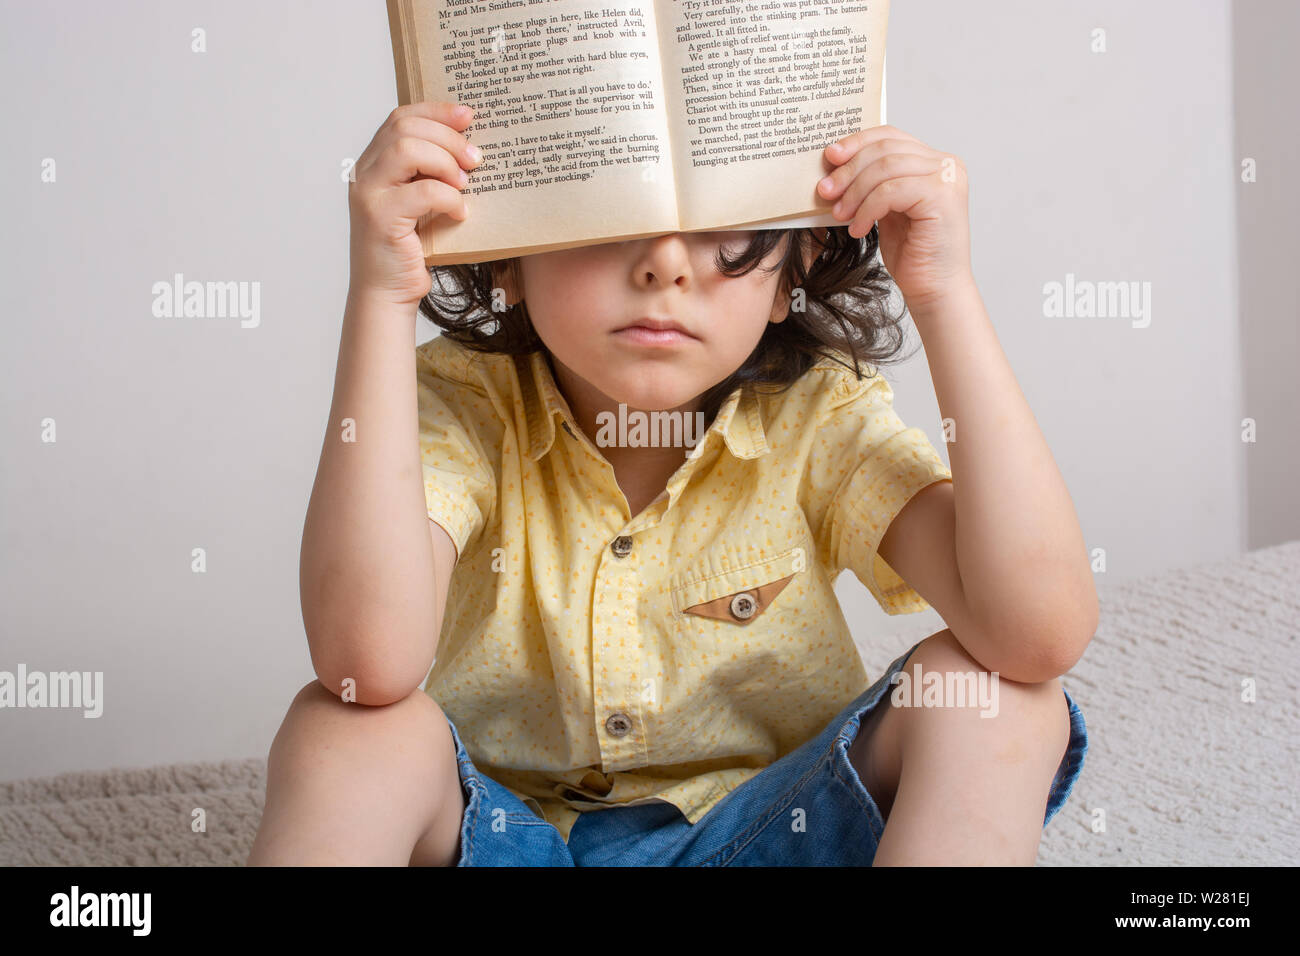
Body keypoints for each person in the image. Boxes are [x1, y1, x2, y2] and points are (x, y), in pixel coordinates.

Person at [248, 100, 1092, 867]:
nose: (662, 265)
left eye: (721, 226)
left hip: (770, 841)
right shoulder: (466, 405)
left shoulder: (818, 417)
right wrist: (380, 296)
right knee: (344, 730)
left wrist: (944, 290)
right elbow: (367, 664)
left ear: (791, 270)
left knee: (996, 696)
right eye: (603, 213)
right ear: (502, 258)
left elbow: (1036, 634)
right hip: (507, 847)